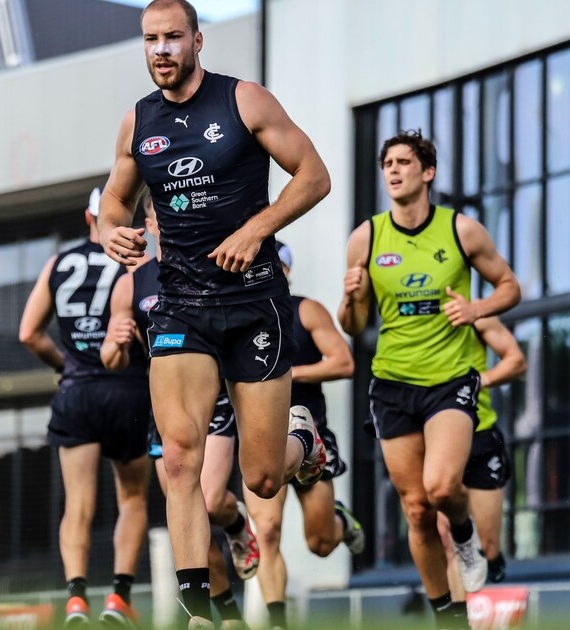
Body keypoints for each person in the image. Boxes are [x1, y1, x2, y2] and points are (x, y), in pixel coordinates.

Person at [96, 1, 331, 624]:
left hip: (254, 305)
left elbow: (314, 175)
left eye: (173, 37)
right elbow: (114, 202)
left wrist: (258, 230)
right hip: (181, 305)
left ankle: (301, 437)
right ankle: (197, 608)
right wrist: (110, 234)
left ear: (198, 40)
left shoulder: (244, 100)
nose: (161, 50)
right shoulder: (137, 122)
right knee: (178, 459)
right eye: (151, 39)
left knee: (259, 480)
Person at [337, 129, 520, 627]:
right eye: (387, 164)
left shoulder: (462, 231)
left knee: (441, 488)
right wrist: (352, 297)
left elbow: (510, 286)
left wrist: (477, 307)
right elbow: (352, 327)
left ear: (427, 172)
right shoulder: (367, 237)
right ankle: (447, 616)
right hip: (393, 383)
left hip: (450, 379)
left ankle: (464, 539)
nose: (393, 171)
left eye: (403, 162)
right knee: (416, 510)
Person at [101, 190, 256, 629]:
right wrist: (115, 340)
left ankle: (238, 521)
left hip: (220, 396)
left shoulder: (216, 258)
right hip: (167, 407)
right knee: (190, 521)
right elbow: (112, 360)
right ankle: (225, 617)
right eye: (160, 215)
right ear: (150, 225)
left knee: (207, 502)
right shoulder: (132, 282)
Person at [19, 188, 152, 628]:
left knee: (78, 504)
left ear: (86, 217)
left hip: (77, 391)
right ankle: (120, 596)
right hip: (128, 388)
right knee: (131, 498)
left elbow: (29, 334)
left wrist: (67, 365)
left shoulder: (59, 262)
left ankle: (76, 598)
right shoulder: (137, 263)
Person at [242, 242, 363, 630]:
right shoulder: (239, 317)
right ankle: (278, 621)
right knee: (267, 530)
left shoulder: (305, 309)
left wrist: (288, 376)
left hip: (310, 433)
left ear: (286, 271)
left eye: (274, 265)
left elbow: (344, 362)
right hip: (263, 433)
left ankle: (341, 523)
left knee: (321, 543)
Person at [436, 316, 524, 600]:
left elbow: (516, 361)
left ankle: (494, 557)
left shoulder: (476, 316)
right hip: (441, 439)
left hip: (481, 437)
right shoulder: (411, 322)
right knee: (451, 543)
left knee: (485, 545)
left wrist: (480, 380)